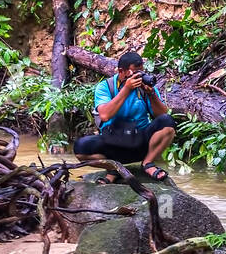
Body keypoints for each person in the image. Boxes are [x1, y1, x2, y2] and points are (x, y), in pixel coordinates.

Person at [73, 51, 176, 181]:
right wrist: (126, 89)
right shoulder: (106, 87)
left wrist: (151, 94)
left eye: (141, 72)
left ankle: (147, 163)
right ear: (121, 71)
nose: (139, 76)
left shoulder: (143, 87)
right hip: (113, 145)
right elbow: (104, 115)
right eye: (135, 72)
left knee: (168, 122)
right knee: (81, 147)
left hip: (141, 142)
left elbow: (161, 115)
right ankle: (114, 168)